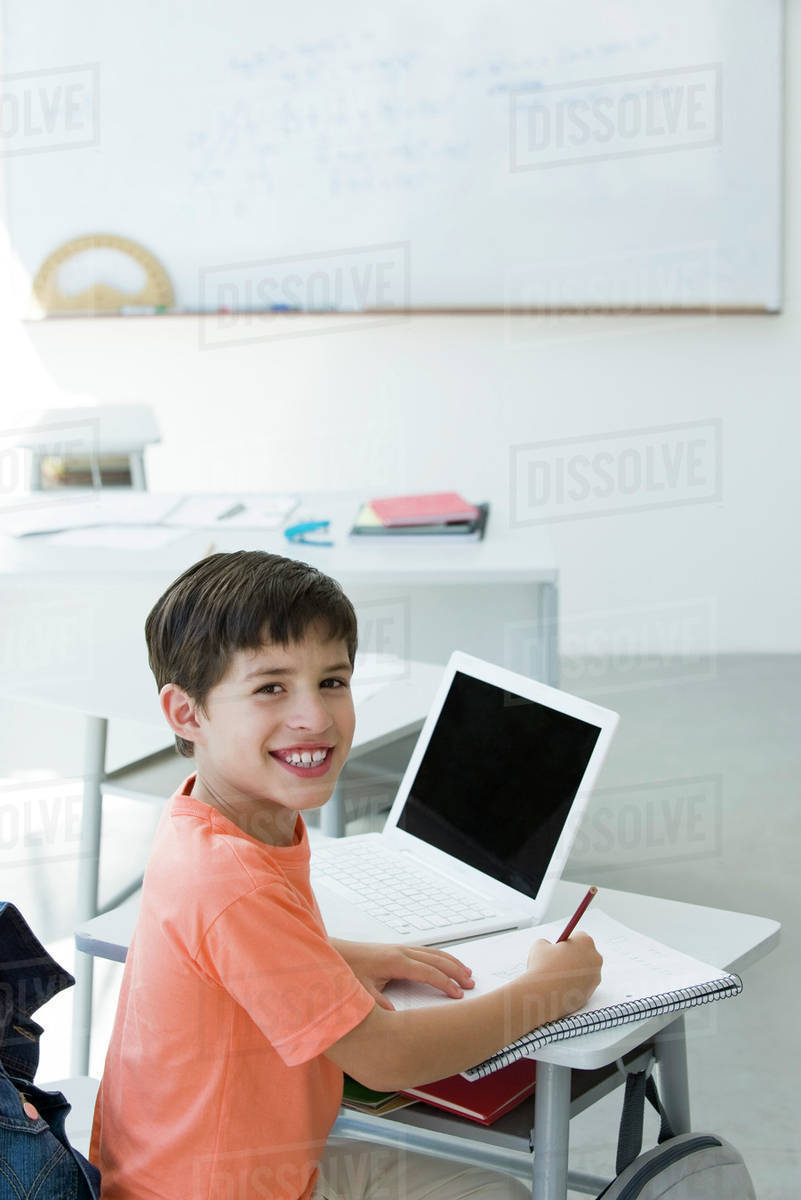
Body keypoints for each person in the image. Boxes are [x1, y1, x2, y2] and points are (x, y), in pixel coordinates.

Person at [90, 551, 602, 1200]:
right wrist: (548, 991)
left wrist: (338, 957)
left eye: (332, 681)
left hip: (182, 1175)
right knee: (499, 1194)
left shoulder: (207, 815)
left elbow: (221, 950)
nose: (315, 716)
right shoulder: (230, 877)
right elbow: (386, 1058)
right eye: (271, 687)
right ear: (187, 714)